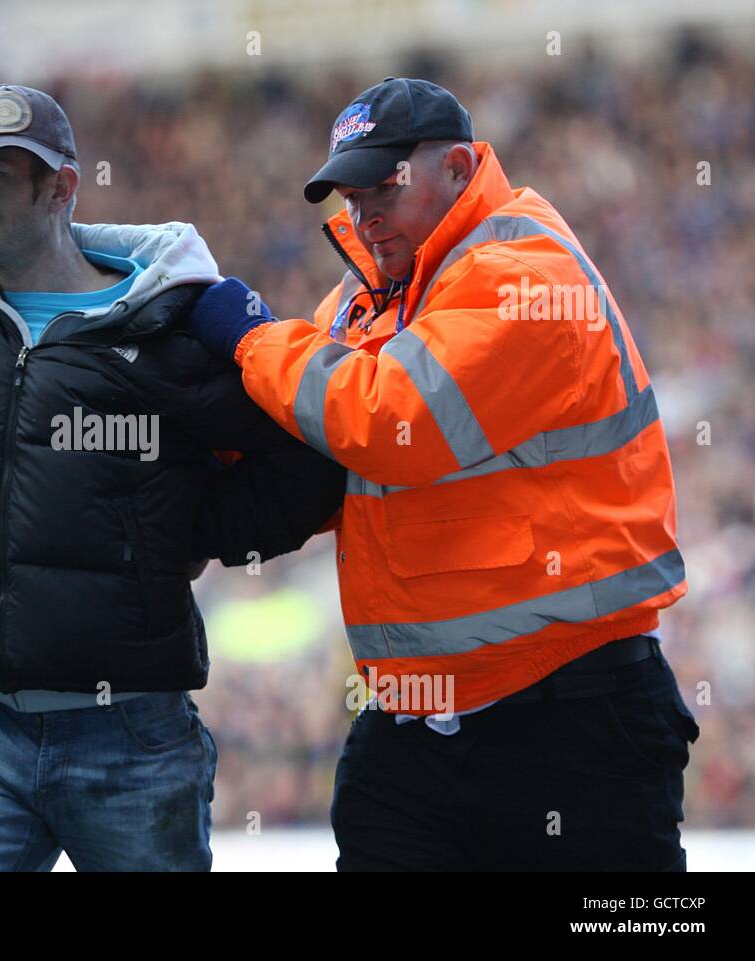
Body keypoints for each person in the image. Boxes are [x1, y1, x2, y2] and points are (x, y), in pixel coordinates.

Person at [0, 85, 346, 871]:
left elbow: (304, 463)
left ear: (61, 187)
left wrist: (185, 527)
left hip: (133, 741)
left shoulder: (165, 327)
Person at [185, 77, 697, 871]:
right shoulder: (372, 297)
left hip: (570, 712)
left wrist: (247, 336)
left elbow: (391, 421)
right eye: (351, 194)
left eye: (385, 183)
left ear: (459, 167)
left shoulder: (526, 272)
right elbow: (308, 439)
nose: (364, 211)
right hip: (418, 720)